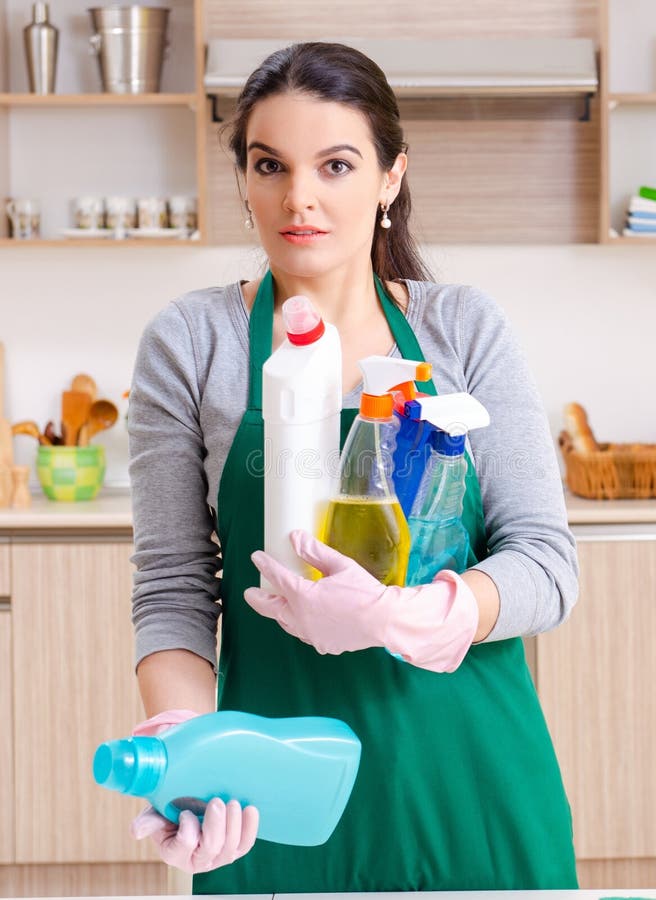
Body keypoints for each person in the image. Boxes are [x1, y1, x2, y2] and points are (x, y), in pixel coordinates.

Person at [128, 40, 580, 893]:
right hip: (272, 793)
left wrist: (410, 617)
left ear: (389, 178)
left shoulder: (463, 330)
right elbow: (175, 585)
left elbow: (546, 565)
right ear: (245, 180)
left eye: (336, 164)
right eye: (271, 165)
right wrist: (187, 744)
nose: (299, 197)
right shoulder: (193, 344)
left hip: (471, 780)